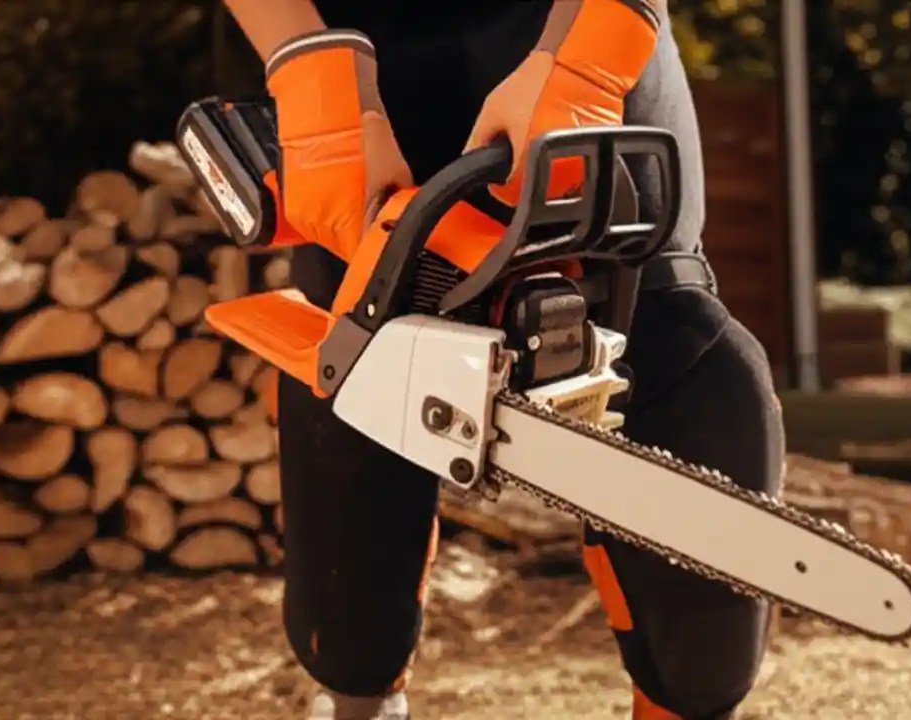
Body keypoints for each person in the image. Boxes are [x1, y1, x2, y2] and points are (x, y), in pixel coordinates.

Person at [219, 1, 786, 718]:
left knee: (677, 348)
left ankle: (688, 702)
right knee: (352, 373)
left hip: (578, 16)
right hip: (353, 46)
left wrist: (580, 59)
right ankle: (359, 699)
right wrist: (306, 63)